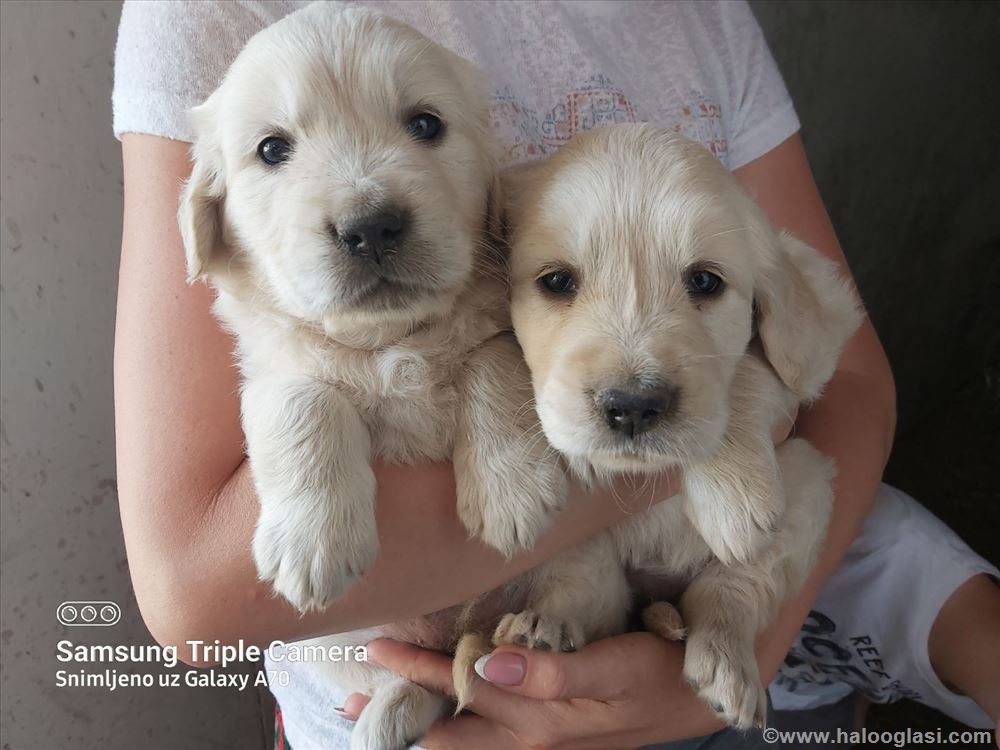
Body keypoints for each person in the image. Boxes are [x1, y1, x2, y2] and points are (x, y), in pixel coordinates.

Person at [112, 2, 998, 748]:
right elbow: (194, 596)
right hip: (387, 703)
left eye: (423, 127)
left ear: (489, 183)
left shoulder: (701, 16)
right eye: (273, 150)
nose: (367, 209)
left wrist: (747, 633)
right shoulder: (203, 17)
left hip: (698, 661)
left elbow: (837, 374)